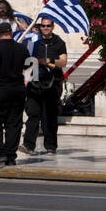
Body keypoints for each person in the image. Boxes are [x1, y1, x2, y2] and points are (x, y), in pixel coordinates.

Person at [0, 21, 27, 166]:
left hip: (0, 90)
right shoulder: (22, 48)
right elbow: (32, 67)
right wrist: (25, 81)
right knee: (14, 123)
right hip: (18, 90)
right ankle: (10, 156)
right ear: (11, 33)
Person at [21, 15, 67, 155]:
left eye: (48, 26)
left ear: (53, 27)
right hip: (35, 81)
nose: (45, 28)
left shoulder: (59, 42)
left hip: (53, 83)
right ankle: (28, 145)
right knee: (33, 114)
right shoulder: (34, 41)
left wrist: (48, 61)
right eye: (43, 25)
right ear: (39, 27)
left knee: (50, 116)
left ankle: (51, 146)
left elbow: (63, 62)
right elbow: (25, 59)